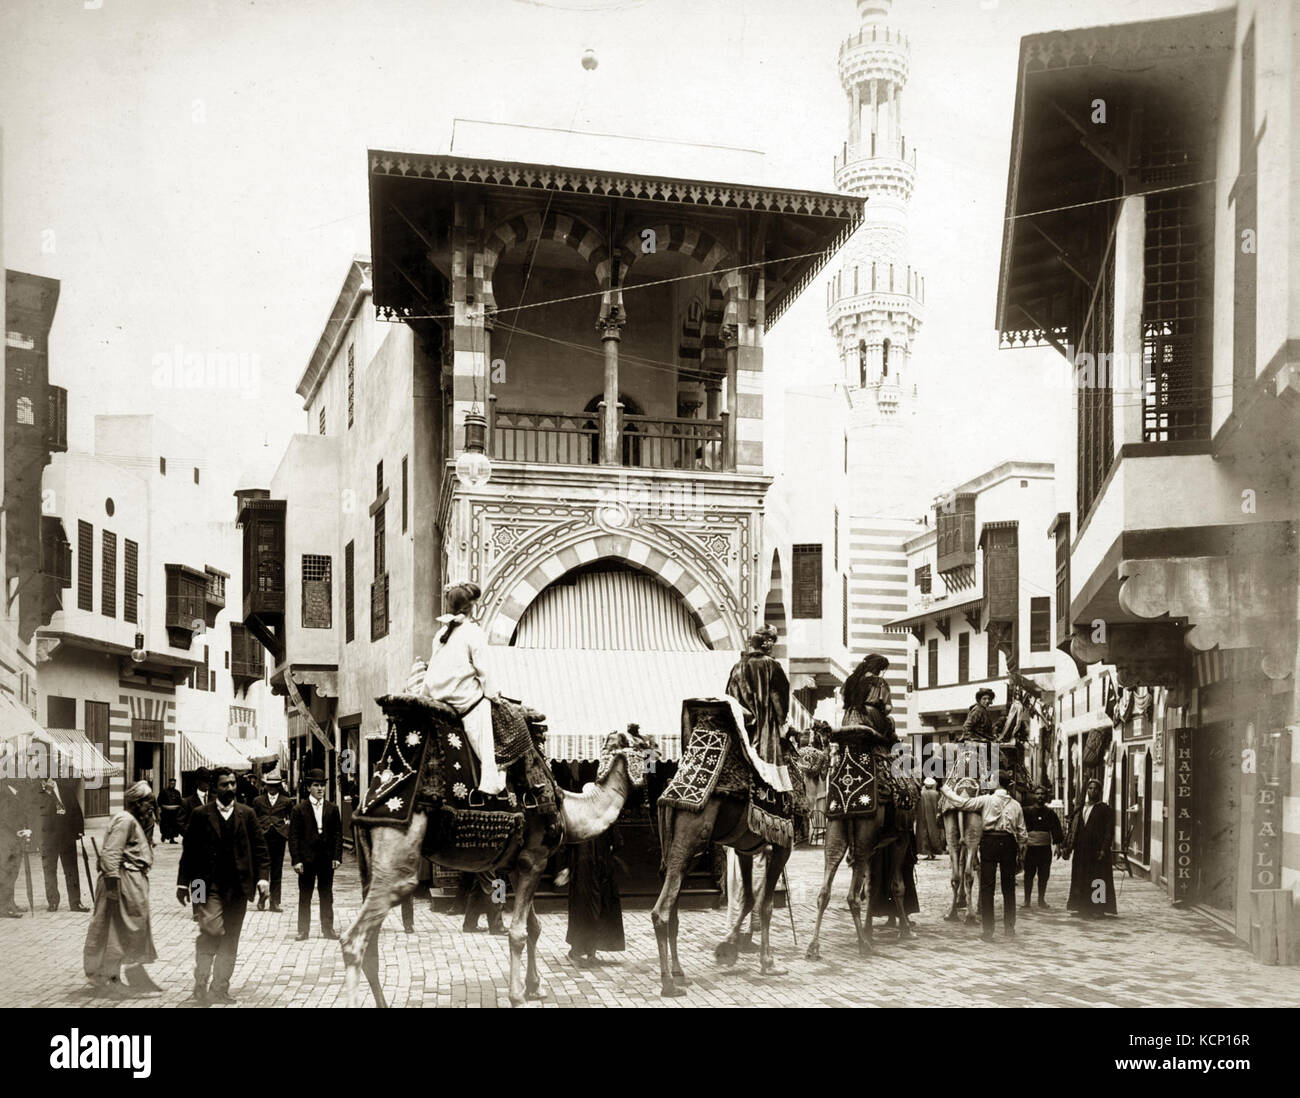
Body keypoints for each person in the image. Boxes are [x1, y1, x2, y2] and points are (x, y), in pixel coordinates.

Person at [176, 765, 270, 1005]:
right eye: (224, 784)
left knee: (231, 938)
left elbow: (260, 848)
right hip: (206, 886)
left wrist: (262, 878)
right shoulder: (200, 814)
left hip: (239, 887)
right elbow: (190, 852)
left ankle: (220, 989)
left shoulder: (246, 814)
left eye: (233, 784)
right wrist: (183, 884)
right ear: (214, 788)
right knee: (211, 930)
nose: (230, 788)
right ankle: (200, 984)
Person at [412, 582, 505, 795]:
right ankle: (491, 781)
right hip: (463, 700)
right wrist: (492, 695)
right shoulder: (473, 632)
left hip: (437, 695)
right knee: (487, 726)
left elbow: (434, 667)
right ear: (471, 608)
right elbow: (485, 672)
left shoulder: (440, 634)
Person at [83, 781, 160, 998]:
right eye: (147, 803)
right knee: (116, 931)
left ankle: (124, 974)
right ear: (136, 803)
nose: (150, 807)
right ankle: (109, 978)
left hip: (132, 882)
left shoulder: (132, 820)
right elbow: (110, 856)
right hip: (122, 882)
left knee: (130, 928)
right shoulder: (124, 820)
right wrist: (113, 890)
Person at [939, 770, 1027, 941]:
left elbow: (963, 803)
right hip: (1009, 843)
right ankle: (1009, 928)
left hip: (989, 843)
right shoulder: (1016, 805)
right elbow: (1022, 832)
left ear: (995, 783)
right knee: (1008, 888)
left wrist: (946, 790)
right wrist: (1021, 852)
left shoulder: (986, 800)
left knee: (987, 887)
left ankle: (988, 931)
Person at [725, 625, 793, 792]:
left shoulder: (737, 666)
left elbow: (729, 697)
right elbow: (780, 701)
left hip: (743, 728)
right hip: (765, 732)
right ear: (768, 645)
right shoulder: (772, 665)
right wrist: (782, 723)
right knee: (774, 777)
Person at [289, 768, 343, 941]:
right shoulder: (299, 809)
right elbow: (293, 837)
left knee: (326, 894)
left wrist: (337, 856)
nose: (320, 789)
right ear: (308, 788)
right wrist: (296, 860)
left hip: (326, 858)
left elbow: (337, 835)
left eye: (322, 786)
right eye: (316, 785)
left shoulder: (332, 808)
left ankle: (328, 928)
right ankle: (303, 930)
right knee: (305, 895)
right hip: (307, 859)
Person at [565, 829, 625, 967]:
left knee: (587, 908)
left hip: (585, 866)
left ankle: (585, 950)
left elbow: (617, 840)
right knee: (590, 907)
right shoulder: (601, 814)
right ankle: (580, 950)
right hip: (594, 866)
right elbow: (617, 842)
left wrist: (566, 866)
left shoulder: (581, 813)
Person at [1065, 778, 1117, 918]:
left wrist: (1103, 849)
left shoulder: (1105, 809)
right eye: (1090, 788)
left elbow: (1109, 832)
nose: (1092, 791)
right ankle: (1081, 907)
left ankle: (1098, 909)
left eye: (1095, 789)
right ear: (1087, 790)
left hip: (1097, 850)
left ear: (1100, 791)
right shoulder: (1081, 808)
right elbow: (1074, 830)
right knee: (1080, 878)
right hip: (1081, 851)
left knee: (1098, 879)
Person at [35, 776, 86, 912]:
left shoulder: (66, 791)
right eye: (43, 782)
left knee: (72, 870)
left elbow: (76, 811)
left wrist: (79, 830)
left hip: (67, 838)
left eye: (48, 781)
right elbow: (37, 816)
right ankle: (53, 902)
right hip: (49, 840)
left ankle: (75, 903)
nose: (46, 784)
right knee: (50, 870)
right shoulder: (41, 795)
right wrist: (49, 795)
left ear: (53, 780)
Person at [251, 769, 292, 912]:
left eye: (275, 785)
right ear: (266, 786)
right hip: (263, 837)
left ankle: (275, 902)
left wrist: (285, 830)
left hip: (279, 837)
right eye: (270, 785)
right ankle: (263, 896)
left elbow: (290, 818)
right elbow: (253, 819)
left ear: (279, 786)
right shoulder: (258, 801)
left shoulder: (286, 801)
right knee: (262, 868)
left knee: (276, 870)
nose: (272, 788)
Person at [1022, 785, 1064, 909]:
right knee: (1028, 874)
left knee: (1044, 875)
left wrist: (1058, 846)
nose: (1040, 796)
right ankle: (1027, 900)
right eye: (1038, 794)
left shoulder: (1050, 813)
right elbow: (1020, 828)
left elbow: (1056, 830)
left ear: (1046, 796)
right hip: (1030, 848)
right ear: (1033, 795)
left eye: (1042, 794)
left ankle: (1041, 900)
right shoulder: (1026, 811)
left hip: (1044, 849)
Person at [0, 772, 33, 917]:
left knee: (13, 873)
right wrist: (18, 830)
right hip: (5, 840)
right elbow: (4, 817)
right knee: (5, 873)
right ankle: (3, 908)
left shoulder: (16, 792)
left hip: (15, 840)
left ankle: (10, 903)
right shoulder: (3, 791)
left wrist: (24, 829)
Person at [843, 653, 894, 735]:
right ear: (878, 669)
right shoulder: (880, 682)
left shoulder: (850, 680)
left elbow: (844, 698)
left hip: (848, 717)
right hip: (870, 716)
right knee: (890, 723)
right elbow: (888, 707)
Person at [917, 776, 944, 859]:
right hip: (933, 817)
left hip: (923, 816)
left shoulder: (921, 794)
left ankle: (927, 852)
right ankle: (933, 853)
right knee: (934, 833)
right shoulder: (936, 794)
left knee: (924, 833)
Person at [179, 768, 212, 834]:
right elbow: (180, 823)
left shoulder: (216, 799)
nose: (208, 783)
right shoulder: (187, 802)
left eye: (209, 780)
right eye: (205, 780)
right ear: (197, 782)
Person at [158, 778, 184, 843]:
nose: (173, 785)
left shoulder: (177, 792)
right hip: (166, 812)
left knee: (174, 825)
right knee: (165, 825)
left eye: (174, 783)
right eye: (171, 783)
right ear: (169, 783)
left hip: (174, 812)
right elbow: (159, 801)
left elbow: (180, 802)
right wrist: (160, 809)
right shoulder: (164, 791)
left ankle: (172, 839)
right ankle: (164, 835)